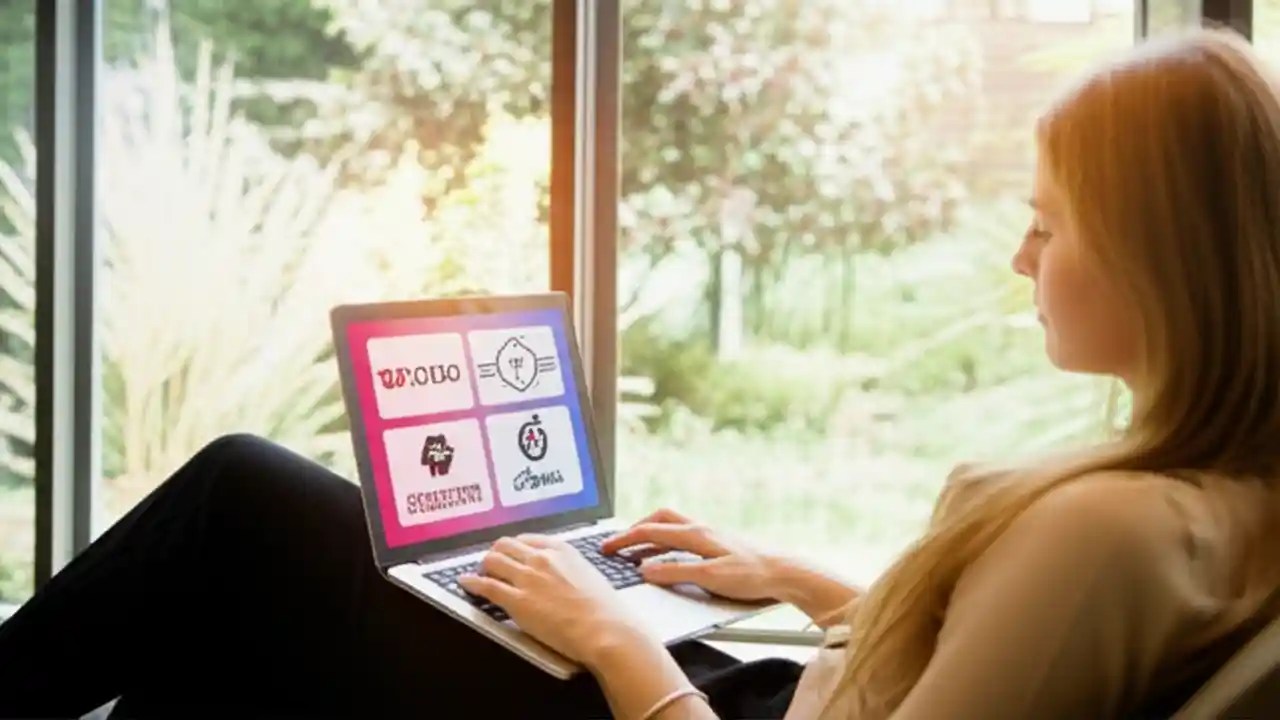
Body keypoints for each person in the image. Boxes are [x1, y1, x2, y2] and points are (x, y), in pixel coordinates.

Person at [5, 24, 1280, 720]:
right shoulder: (1217, 494)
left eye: (1048, 225)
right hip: (743, 695)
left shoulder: (1108, 530)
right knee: (245, 628)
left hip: (666, 708)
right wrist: (792, 577)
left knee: (242, 506)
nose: (1019, 257)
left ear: (1157, 255)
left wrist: (612, 638)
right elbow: (993, 675)